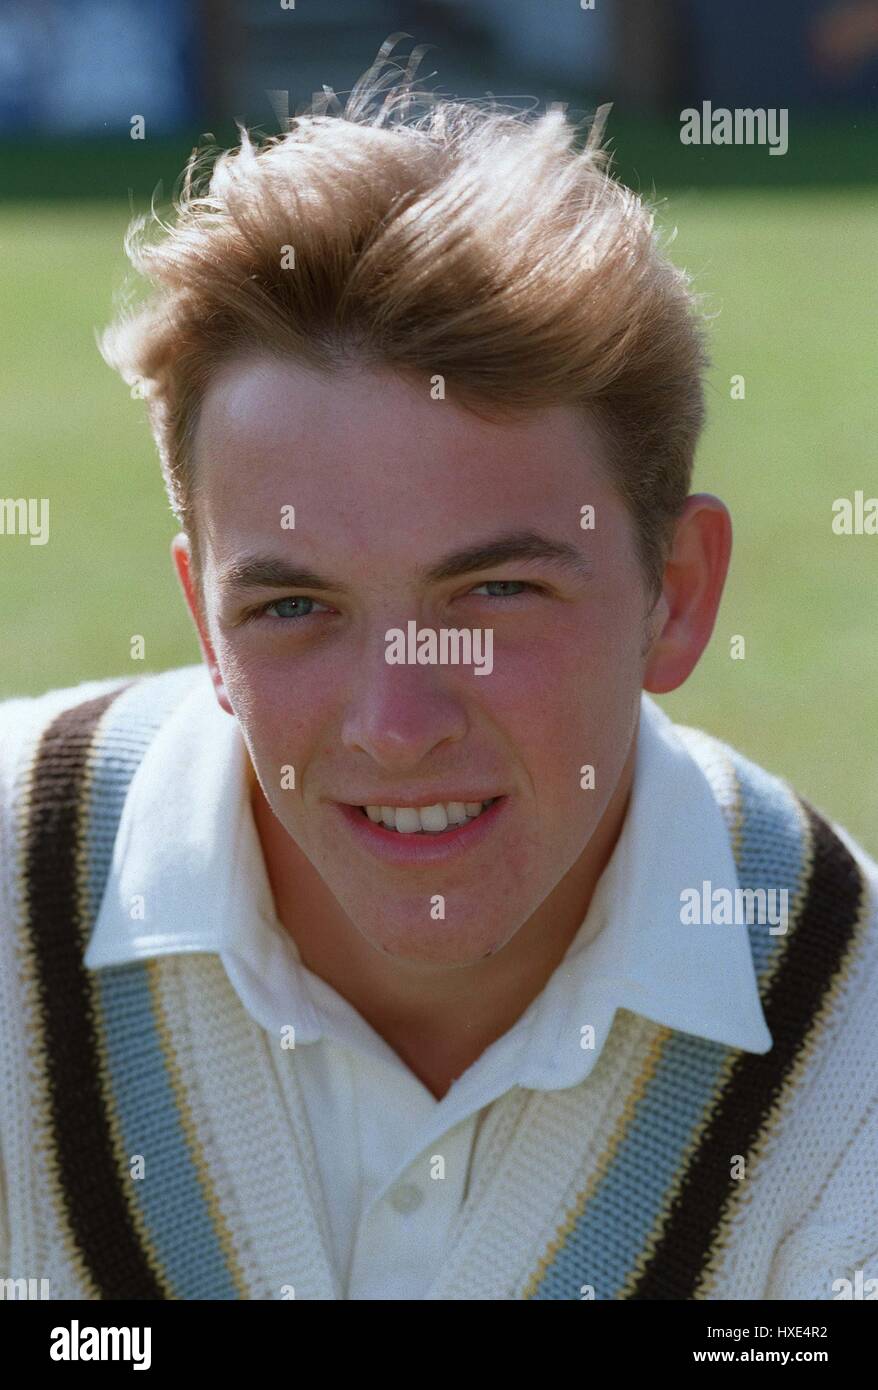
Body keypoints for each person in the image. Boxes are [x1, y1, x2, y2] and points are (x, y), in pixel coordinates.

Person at [1, 40, 876, 1301]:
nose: (395, 723)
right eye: (294, 606)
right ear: (203, 622)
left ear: (676, 594)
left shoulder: (845, 1058)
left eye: (495, 593)